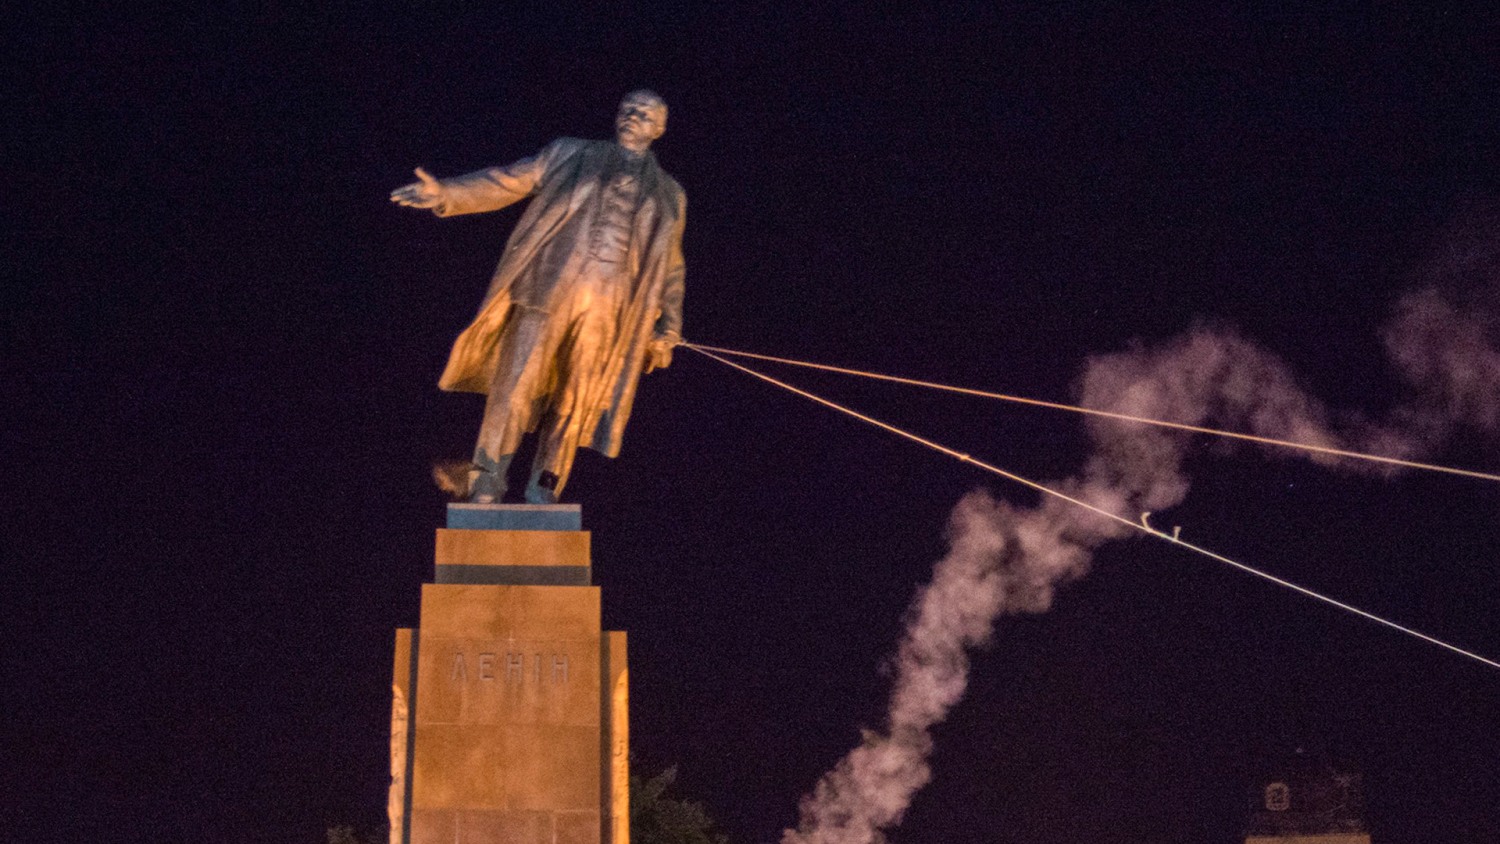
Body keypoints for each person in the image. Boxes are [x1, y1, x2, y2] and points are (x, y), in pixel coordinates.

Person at [391, 90, 685, 503]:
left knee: (574, 401)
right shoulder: (569, 153)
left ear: (660, 129)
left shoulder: (669, 194)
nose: (633, 116)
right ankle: (486, 484)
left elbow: (671, 267)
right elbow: (507, 180)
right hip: (547, 292)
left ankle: (545, 488)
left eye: (645, 114)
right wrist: (448, 194)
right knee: (513, 388)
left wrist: (668, 326)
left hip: (609, 312)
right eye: (627, 109)